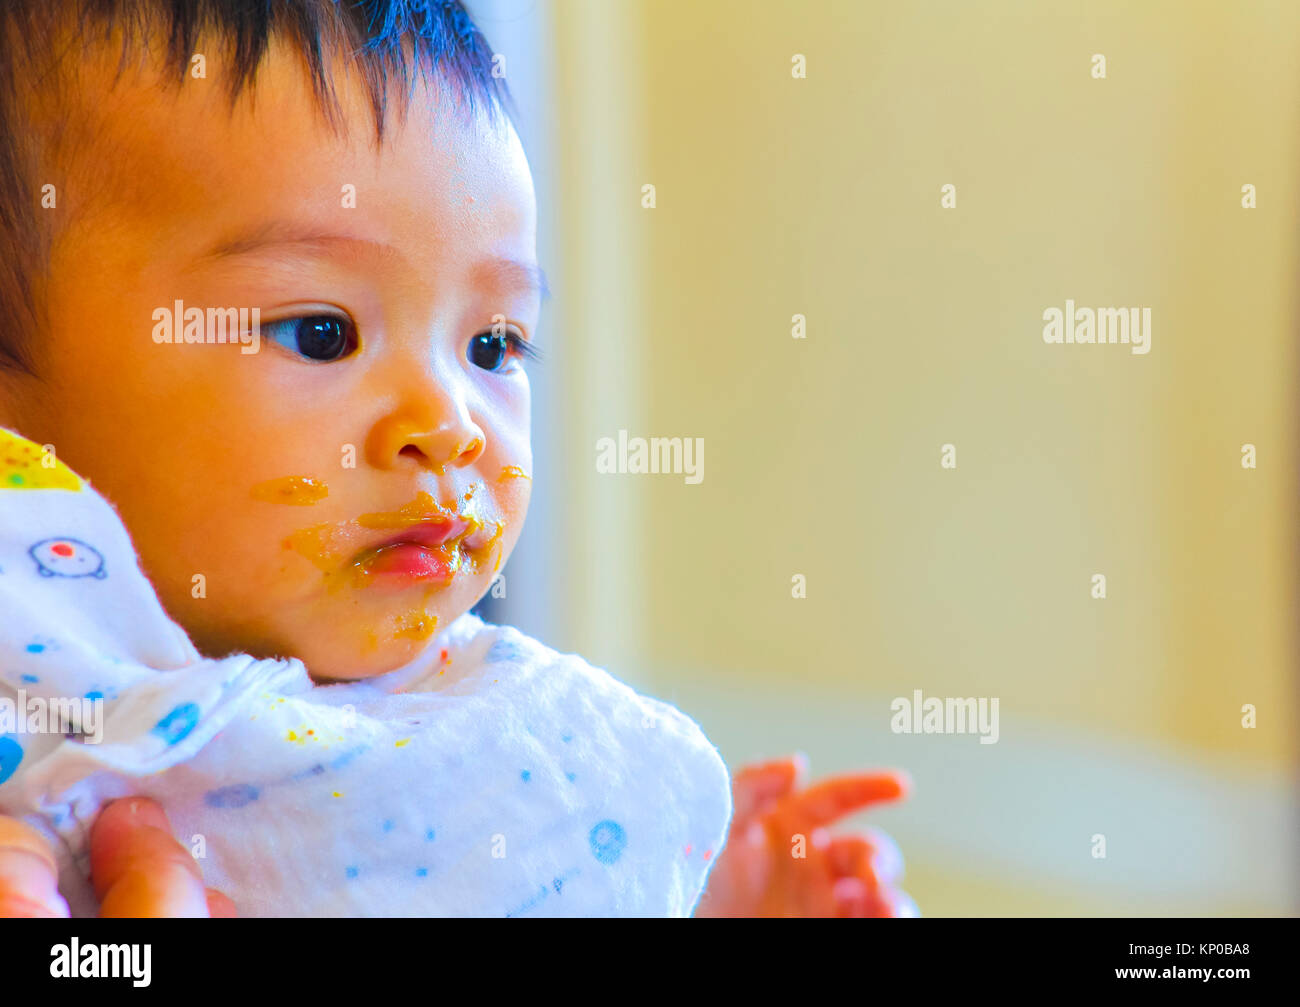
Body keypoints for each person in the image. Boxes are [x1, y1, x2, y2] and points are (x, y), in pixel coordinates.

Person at [0, 0, 910, 917]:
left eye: (492, 345)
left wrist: (709, 901)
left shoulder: (504, 746)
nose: (451, 426)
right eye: (321, 333)